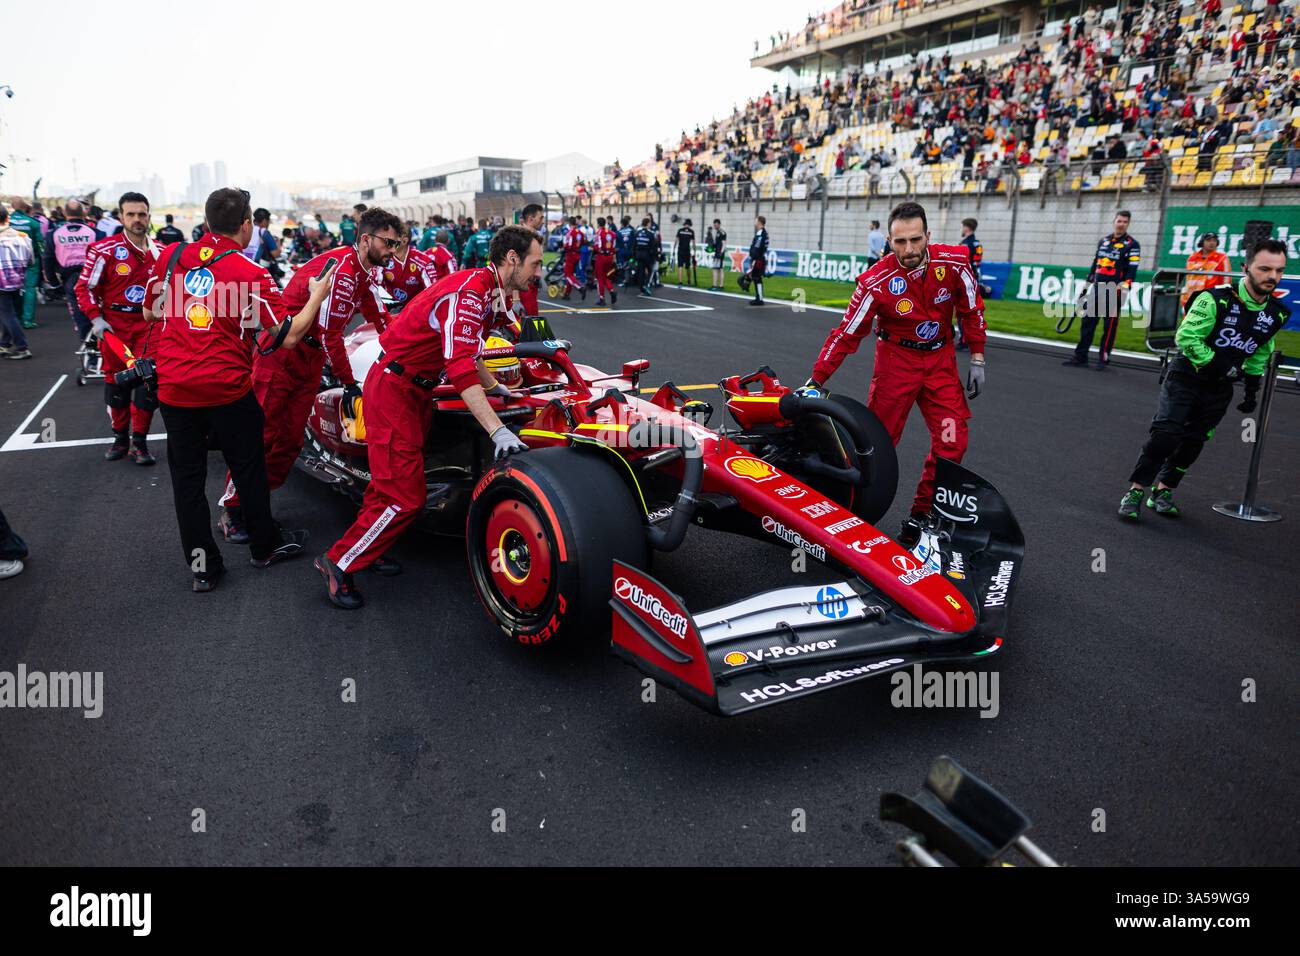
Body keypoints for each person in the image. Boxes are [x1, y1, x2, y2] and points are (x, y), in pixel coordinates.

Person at [315, 225, 540, 609]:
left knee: (389, 486)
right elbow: (459, 368)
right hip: (393, 389)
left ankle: (370, 547)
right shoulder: (472, 291)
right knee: (405, 497)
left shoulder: (488, 289)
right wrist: (498, 430)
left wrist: (494, 388)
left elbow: (471, 354)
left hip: (414, 389)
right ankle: (338, 562)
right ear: (512, 258)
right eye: (535, 263)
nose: (538, 271)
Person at [143, 187, 332, 591]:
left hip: (175, 387)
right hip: (225, 389)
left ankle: (203, 569)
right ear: (246, 224)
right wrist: (316, 296)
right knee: (249, 467)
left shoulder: (171, 256)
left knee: (187, 482)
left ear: (208, 222)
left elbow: (149, 311)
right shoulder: (251, 273)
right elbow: (290, 336)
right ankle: (264, 546)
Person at [803, 201, 987, 546]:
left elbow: (972, 309)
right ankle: (849, 518)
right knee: (877, 446)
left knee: (952, 441)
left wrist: (977, 357)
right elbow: (846, 333)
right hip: (895, 366)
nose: (908, 249)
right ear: (889, 240)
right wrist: (816, 380)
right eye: (899, 242)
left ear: (928, 236)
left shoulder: (955, 262)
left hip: (940, 366)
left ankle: (921, 518)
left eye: (915, 240)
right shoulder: (876, 281)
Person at [216, 207, 400, 543]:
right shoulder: (342, 270)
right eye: (388, 242)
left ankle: (256, 506)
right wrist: (348, 383)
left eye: (397, 243)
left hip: (311, 358)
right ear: (365, 239)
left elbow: (381, 317)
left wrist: (406, 350)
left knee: (289, 442)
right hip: (283, 351)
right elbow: (332, 335)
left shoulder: (366, 271)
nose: (393, 250)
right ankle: (232, 508)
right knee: (260, 436)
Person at [1118, 240, 1288, 519]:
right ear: (1246, 268)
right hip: (1186, 376)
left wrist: (1252, 388)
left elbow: (1259, 350)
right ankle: (1136, 490)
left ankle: (1163, 490)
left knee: (1194, 442)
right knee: (1166, 436)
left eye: (1279, 271)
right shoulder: (1215, 298)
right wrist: (1218, 363)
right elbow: (1186, 338)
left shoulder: (1276, 313)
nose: (1272, 276)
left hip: (1219, 388)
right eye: (1265, 269)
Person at [75, 192, 162, 465]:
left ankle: (140, 442)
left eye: (142, 214)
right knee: (117, 384)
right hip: (115, 326)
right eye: (131, 214)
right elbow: (84, 288)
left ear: (149, 216)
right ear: (121, 217)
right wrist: (96, 319)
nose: (137, 219)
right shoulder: (104, 250)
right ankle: (120, 438)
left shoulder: (162, 251)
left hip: (150, 326)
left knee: (148, 382)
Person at [1064, 210, 1141, 370]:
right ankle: (1081, 356)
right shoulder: (1103, 241)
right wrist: (1086, 285)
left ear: (1128, 224)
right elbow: (1095, 265)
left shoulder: (1133, 245)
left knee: (1109, 326)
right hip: (1097, 288)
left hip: (1115, 290)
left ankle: (1103, 358)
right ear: (1114, 221)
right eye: (1119, 221)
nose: (1121, 224)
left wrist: (1124, 287)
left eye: (1125, 222)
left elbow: (1132, 270)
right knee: (1087, 322)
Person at [49, 200, 98, 340]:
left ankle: (88, 345)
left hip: (70, 278)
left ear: (64, 213)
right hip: (93, 277)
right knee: (97, 311)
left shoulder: (54, 233)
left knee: (79, 313)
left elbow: (47, 259)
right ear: (84, 213)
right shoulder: (96, 232)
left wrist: (54, 283)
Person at [0, 206, 35, 360]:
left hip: (1, 283)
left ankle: (22, 347)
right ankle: (4, 344)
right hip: (18, 280)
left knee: (7, 314)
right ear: (8, 218)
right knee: (9, 313)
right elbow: (31, 261)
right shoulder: (23, 237)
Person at [7, 199, 44, 330]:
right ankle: (27, 320)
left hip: (8, 260)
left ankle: (12, 318)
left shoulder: (5, 221)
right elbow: (40, 243)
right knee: (30, 288)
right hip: (30, 260)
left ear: (12, 207)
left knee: (9, 289)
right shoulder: (33, 223)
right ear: (25, 208)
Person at [956, 218, 985, 351]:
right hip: (975, 279)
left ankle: (964, 341)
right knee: (973, 312)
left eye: (962, 227)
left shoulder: (964, 244)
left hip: (965, 281)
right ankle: (972, 339)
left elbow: (961, 265)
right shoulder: (978, 243)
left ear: (967, 228)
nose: (961, 229)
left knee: (962, 313)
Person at [1181, 232, 1232, 308]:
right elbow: (1188, 278)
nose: (1212, 243)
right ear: (1202, 242)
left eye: (1214, 240)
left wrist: (1220, 297)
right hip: (1190, 298)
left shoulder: (1222, 258)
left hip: (1209, 298)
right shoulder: (1192, 257)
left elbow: (1226, 281)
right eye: (1208, 240)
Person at [515, 202, 545, 317]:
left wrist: (538, 276)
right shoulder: (521, 238)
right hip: (523, 286)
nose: (542, 221)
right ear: (530, 219)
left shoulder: (535, 237)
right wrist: (516, 299)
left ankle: (539, 335)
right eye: (540, 217)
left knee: (535, 321)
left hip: (532, 286)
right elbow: (514, 268)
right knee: (527, 325)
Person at [740, 215, 769, 306]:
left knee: (757, 278)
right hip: (759, 258)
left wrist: (753, 258)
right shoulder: (762, 233)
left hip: (758, 259)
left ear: (760, 222)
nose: (755, 222)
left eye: (756, 221)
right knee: (756, 278)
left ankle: (759, 299)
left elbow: (756, 247)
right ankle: (758, 297)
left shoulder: (761, 234)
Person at [592, 216, 618, 306]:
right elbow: (614, 247)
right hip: (609, 257)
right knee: (605, 277)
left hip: (601, 257)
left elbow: (596, 246)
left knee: (599, 278)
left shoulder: (599, 233)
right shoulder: (612, 233)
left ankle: (602, 298)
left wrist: (593, 248)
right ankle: (612, 291)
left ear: (598, 224)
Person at [632, 217, 659, 296]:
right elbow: (653, 247)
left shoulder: (637, 232)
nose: (650, 224)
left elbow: (634, 245)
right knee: (650, 270)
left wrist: (634, 256)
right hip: (647, 255)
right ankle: (646, 285)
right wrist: (655, 256)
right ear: (647, 224)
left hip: (638, 255)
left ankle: (641, 287)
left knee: (641, 271)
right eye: (649, 223)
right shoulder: (650, 234)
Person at [561, 216, 585, 300]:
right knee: (571, 274)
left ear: (569, 223)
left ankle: (580, 287)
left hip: (570, 255)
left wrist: (563, 247)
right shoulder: (580, 232)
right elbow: (583, 242)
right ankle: (567, 293)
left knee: (567, 275)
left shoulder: (570, 232)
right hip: (578, 254)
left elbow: (568, 246)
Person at [706, 218, 727, 290]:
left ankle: (715, 286)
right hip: (718, 252)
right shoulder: (718, 232)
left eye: (716, 225)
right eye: (714, 225)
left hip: (719, 253)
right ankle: (720, 286)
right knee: (720, 269)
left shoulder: (722, 232)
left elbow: (724, 244)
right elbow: (716, 244)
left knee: (715, 269)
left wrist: (721, 252)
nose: (714, 226)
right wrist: (710, 248)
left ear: (719, 224)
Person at [675, 218, 696, 288]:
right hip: (687, 250)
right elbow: (693, 243)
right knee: (688, 267)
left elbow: (676, 241)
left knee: (680, 266)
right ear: (690, 224)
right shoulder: (691, 231)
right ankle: (689, 281)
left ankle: (680, 282)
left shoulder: (680, 230)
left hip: (680, 250)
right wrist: (694, 251)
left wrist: (674, 249)